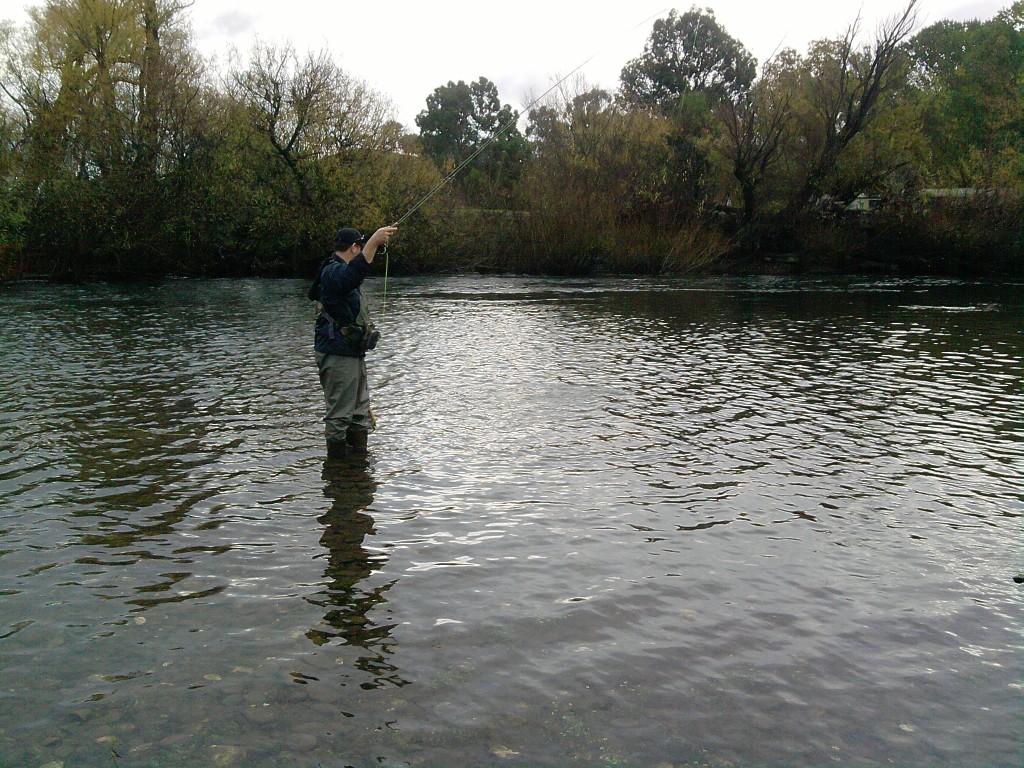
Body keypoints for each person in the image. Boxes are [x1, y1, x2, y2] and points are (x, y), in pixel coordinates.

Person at [312, 224, 397, 460]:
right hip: (337, 353)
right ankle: (337, 472)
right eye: (361, 248)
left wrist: (372, 245)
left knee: (360, 413)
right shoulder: (332, 272)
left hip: (352, 353)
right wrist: (373, 243)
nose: (362, 253)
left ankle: (358, 469)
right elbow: (352, 276)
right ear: (354, 247)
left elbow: (354, 273)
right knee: (340, 416)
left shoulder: (340, 270)